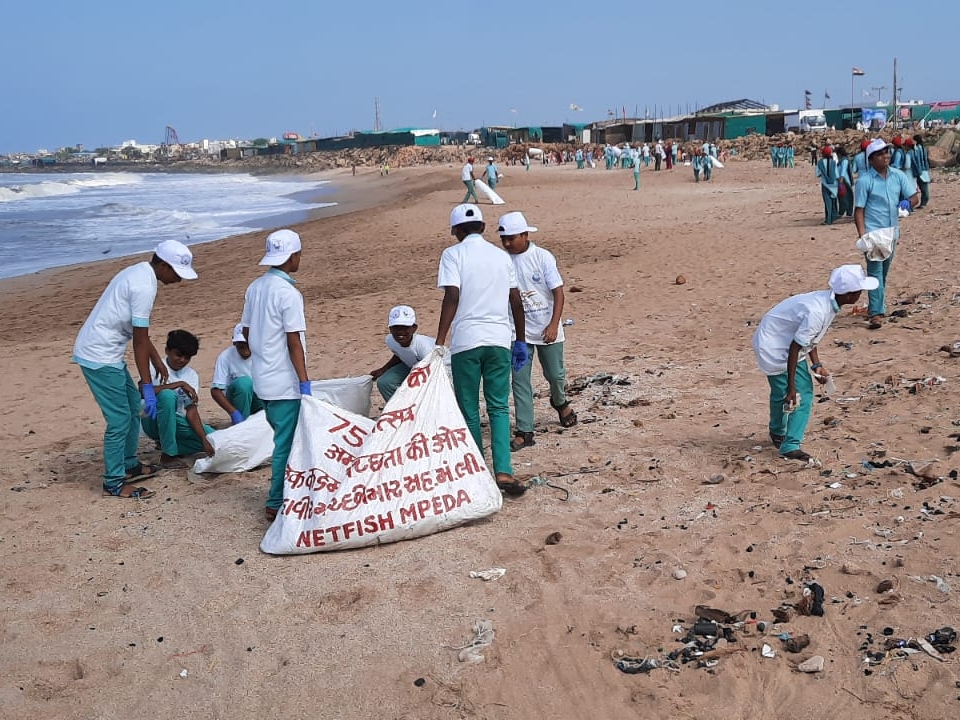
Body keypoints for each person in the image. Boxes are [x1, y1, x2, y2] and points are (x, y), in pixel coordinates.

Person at [73, 240, 198, 499]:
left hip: (109, 353)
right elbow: (139, 341)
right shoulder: (144, 287)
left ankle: (129, 464)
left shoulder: (140, 271)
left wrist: (156, 360)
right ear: (163, 265)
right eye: (176, 273)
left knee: (132, 407)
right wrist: (148, 385)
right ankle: (114, 482)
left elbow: (141, 335)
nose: (178, 280)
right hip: (99, 355)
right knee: (119, 420)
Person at [436, 204, 530, 497]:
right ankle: (503, 470)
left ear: (457, 231)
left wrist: (440, 340)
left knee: (470, 409)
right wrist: (521, 340)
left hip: (467, 341)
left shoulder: (453, 255)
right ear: (483, 227)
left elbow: (452, 295)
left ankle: (477, 470)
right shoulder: (502, 257)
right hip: (499, 340)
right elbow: (516, 301)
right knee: (499, 407)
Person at [753, 265, 878, 464]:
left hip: (780, 340)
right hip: (775, 346)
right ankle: (790, 445)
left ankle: (777, 431)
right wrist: (792, 388)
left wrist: (816, 365)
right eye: (858, 291)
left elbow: (809, 339)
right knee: (799, 394)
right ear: (848, 295)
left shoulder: (826, 302)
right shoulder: (818, 311)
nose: (860, 295)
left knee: (781, 392)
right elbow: (795, 347)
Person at [241, 229, 311, 521]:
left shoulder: (255, 287)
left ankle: (286, 494)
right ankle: (276, 501)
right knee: (285, 445)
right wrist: (304, 382)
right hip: (284, 382)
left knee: (282, 439)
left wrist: (263, 349)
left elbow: (245, 331)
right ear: (293, 256)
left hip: (262, 379)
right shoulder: (288, 294)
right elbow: (294, 341)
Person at [497, 211, 576, 452]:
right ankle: (525, 430)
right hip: (516, 332)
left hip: (546, 329)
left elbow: (558, 292)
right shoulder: (501, 261)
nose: (508, 243)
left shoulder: (542, 257)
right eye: (504, 239)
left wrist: (554, 324)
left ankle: (560, 402)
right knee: (520, 381)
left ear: (524, 234)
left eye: (512, 238)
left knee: (555, 375)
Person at [854, 139, 920, 330]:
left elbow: (914, 196)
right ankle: (876, 312)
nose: (886, 156)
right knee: (875, 272)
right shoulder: (865, 181)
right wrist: (862, 235)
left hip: (892, 233)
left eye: (887, 152)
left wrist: (909, 202)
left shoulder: (898, 176)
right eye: (881, 154)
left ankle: (877, 306)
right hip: (874, 233)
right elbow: (859, 210)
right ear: (872, 159)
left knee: (883, 272)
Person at [141, 330, 215, 467]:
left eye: (187, 357)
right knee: (167, 396)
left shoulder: (191, 375)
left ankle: (168, 444)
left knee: (213, 439)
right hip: (151, 419)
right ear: (167, 351)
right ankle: (169, 454)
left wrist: (204, 439)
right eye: (178, 355)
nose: (182, 360)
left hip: (176, 421)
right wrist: (178, 384)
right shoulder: (154, 367)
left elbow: (191, 410)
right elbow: (141, 391)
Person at [370, 305, 439, 403]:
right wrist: (383, 369)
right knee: (385, 382)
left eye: (405, 327)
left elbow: (435, 371)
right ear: (390, 329)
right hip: (415, 366)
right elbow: (400, 354)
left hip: (438, 369)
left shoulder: (423, 347)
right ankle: (400, 410)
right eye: (396, 328)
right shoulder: (390, 340)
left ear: (414, 328)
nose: (400, 332)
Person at [210, 323, 262, 424]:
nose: (245, 346)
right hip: (238, 399)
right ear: (234, 342)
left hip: (260, 399)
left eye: (248, 342)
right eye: (241, 343)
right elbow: (216, 391)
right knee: (244, 383)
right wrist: (233, 412)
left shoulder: (263, 354)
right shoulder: (226, 356)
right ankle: (242, 425)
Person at [815, 146, 839, 225]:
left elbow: (817, 174)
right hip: (834, 184)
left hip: (825, 184)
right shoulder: (833, 162)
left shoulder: (820, 162)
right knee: (833, 201)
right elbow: (837, 174)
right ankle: (833, 216)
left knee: (827, 202)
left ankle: (828, 219)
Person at [910, 135, 931, 208]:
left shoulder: (916, 149)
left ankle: (923, 203)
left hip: (920, 170)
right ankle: (924, 202)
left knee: (923, 188)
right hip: (924, 170)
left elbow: (916, 161)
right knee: (924, 187)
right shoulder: (924, 148)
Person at [835, 146, 854, 218]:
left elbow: (843, 170)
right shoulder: (841, 161)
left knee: (847, 196)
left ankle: (849, 212)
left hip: (844, 181)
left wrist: (841, 179)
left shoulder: (844, 161)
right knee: (841, 197)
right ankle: (842, 211)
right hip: (841, 180)